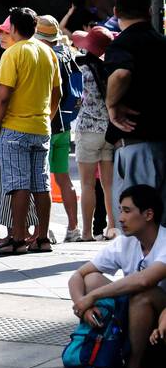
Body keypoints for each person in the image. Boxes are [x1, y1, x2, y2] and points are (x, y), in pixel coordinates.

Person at [66, 184, 166, 368]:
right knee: (91, 279)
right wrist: (83, 306)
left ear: (148, 215)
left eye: (127, 211)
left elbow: (144, 280)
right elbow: (77, 276)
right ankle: (100, 350)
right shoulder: (125, 242)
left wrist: (93, 297)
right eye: (120, 211)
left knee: (142, 295)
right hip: (132, 311)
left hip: (161, 312)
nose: (120, 218)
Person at [0, 7, 61, 256]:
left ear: (13, 29)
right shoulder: (48, 53)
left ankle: (18, 239)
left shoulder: (12, 54)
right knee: (42, 184)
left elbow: (3, 96)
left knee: (19, 185)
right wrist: (46, 118)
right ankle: (42, 238)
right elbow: (57, 94)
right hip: (41, 128)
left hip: (15, 128)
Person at [104, 0, 166, 200]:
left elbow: (121, 73)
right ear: (149, 11)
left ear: (116, 12)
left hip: (135, 146)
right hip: (162, 142)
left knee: (136, 224)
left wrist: (111, 104)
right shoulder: (162, 43)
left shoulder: (122, 44)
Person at [35, 15, 81, 242]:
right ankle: (74, 228)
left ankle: (44, 230)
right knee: (63, 178)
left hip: (47, 123)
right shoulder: (67, 54)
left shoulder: (46, 56)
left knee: (41, 179)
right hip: (65, 125)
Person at [71, 26, 117, 242]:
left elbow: (75, 100)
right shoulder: (110, 70)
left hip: (87, 130)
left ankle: (87, 233)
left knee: (88, 184)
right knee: (109, 185)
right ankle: (112, 228)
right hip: (108, 131)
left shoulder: (82, 71)